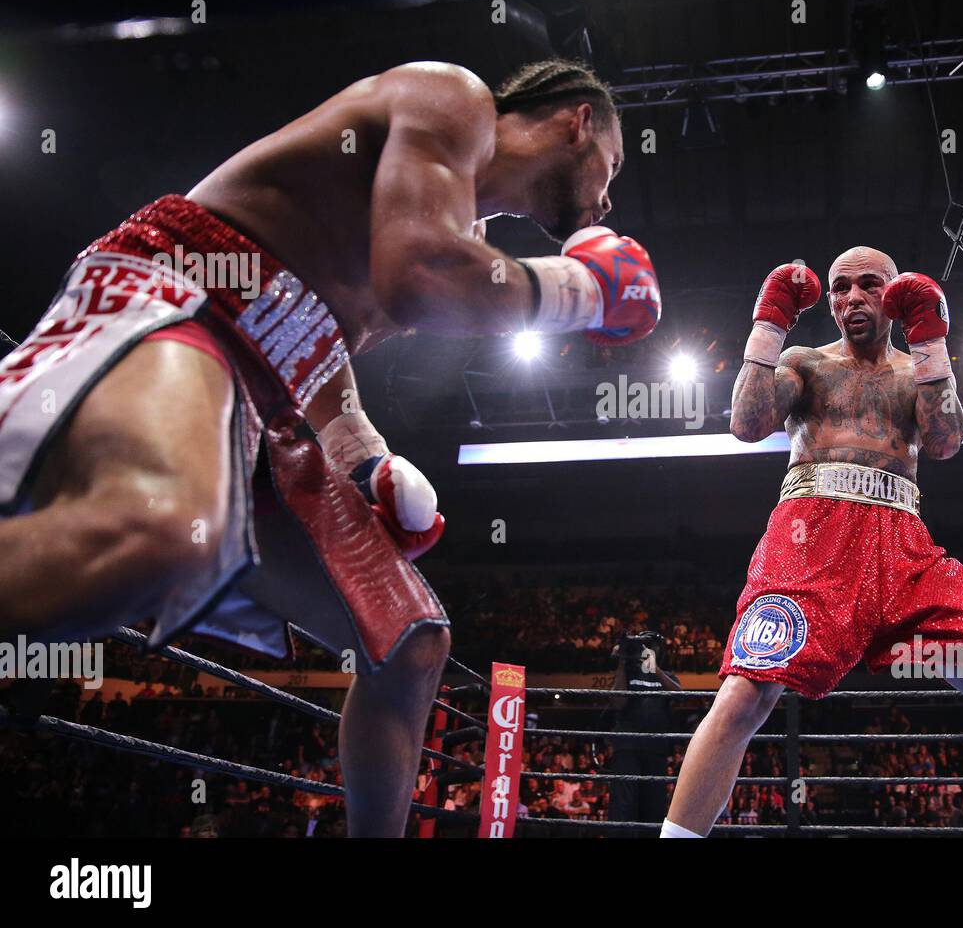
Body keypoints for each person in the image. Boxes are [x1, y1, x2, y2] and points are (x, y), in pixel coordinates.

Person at [0, 58, 661, 836]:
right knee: (168, 525)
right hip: (176, 296)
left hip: (262, 390)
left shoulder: (461, 235)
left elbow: (320, 342)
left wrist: (363, 458)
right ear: (577, 120)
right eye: (612, 163)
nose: (609, 195)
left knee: (410, 645)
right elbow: (416, 276)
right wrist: (584, 290)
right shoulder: (454, 99)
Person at [661, 249, 963, 838]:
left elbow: (944, 443)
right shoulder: (805, 363)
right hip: (808, 534)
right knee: (745, 696)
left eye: (869, 285)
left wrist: (932, 341)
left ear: (893, 296)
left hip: (903, 541)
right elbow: (746, 423)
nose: (851, 298)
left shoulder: (917, 370)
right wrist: (768, 323)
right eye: (840, 288)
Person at [606, 630, 679, 825]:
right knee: (623, 803)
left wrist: (655, 669)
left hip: (656, 747)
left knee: (654, 804)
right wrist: (622, 661)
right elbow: (618, 703)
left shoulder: (666, 676)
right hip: (627, 746)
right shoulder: (626, 674)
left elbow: (679, 695)